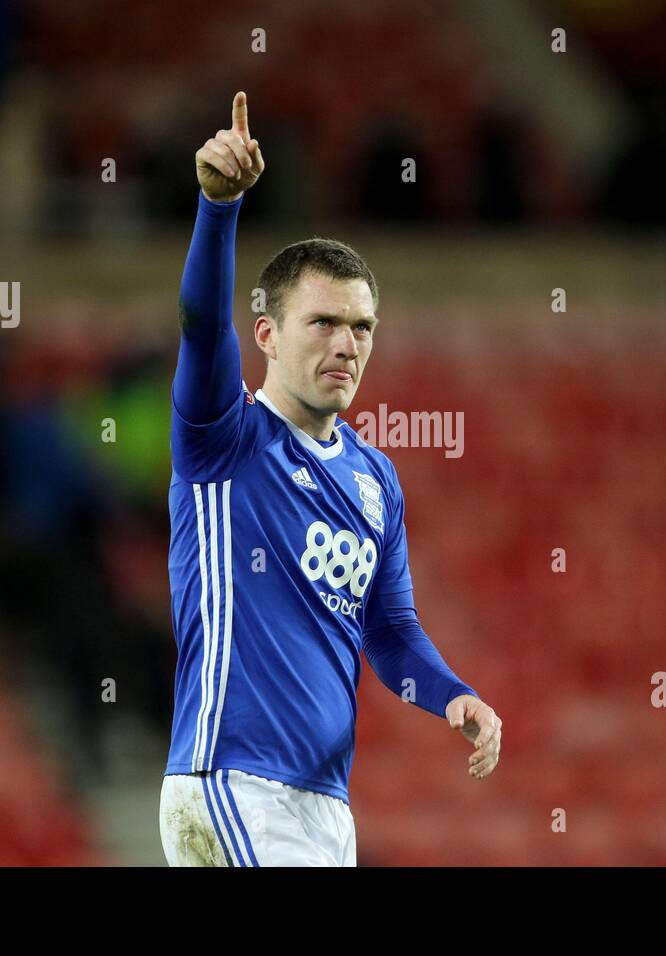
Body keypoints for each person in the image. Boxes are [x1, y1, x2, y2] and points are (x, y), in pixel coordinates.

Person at [159, 92, 501, 867]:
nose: (347, 344)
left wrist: (453, 695)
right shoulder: (223, 436)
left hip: (323, 806)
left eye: (362, 327)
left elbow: (388, 630)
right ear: (268, 335)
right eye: (323, 323)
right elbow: (200, 324)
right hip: (233, 785)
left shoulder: (374, 479)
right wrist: (219, 209)